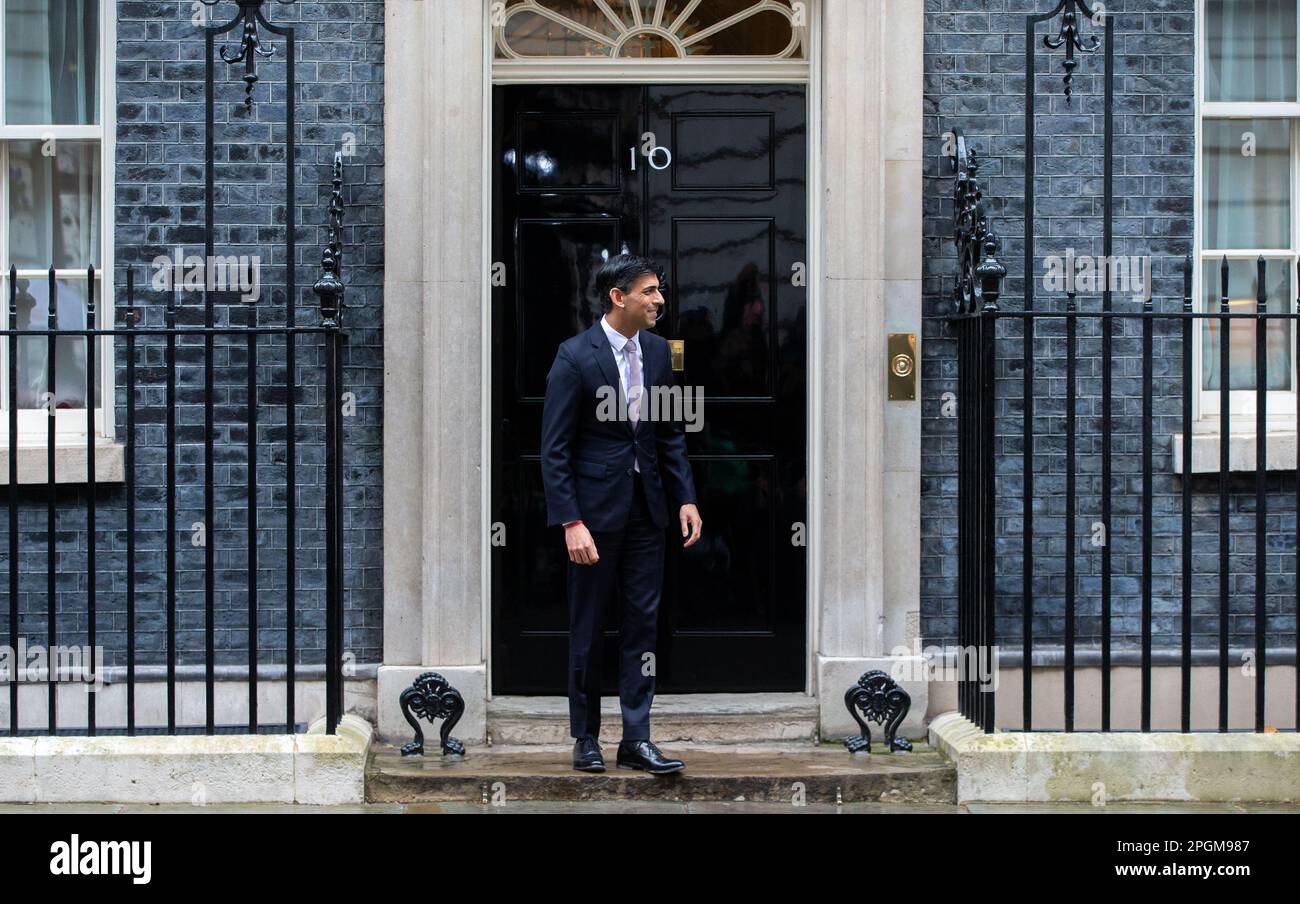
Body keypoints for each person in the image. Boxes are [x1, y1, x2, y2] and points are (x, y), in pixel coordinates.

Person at [540, 253, 703, 775]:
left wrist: (686, 498)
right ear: (619, 296)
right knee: (587, 628)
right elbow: (555, 449)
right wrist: (570, 521)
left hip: (647, 515)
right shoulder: (574, 356)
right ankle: (585, 737)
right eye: (650, 291)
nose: (660, 300)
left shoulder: (658, 353)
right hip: (591, 518)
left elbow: (670, 433)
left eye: (660, 291)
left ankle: (636, 738)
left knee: (642, 626)